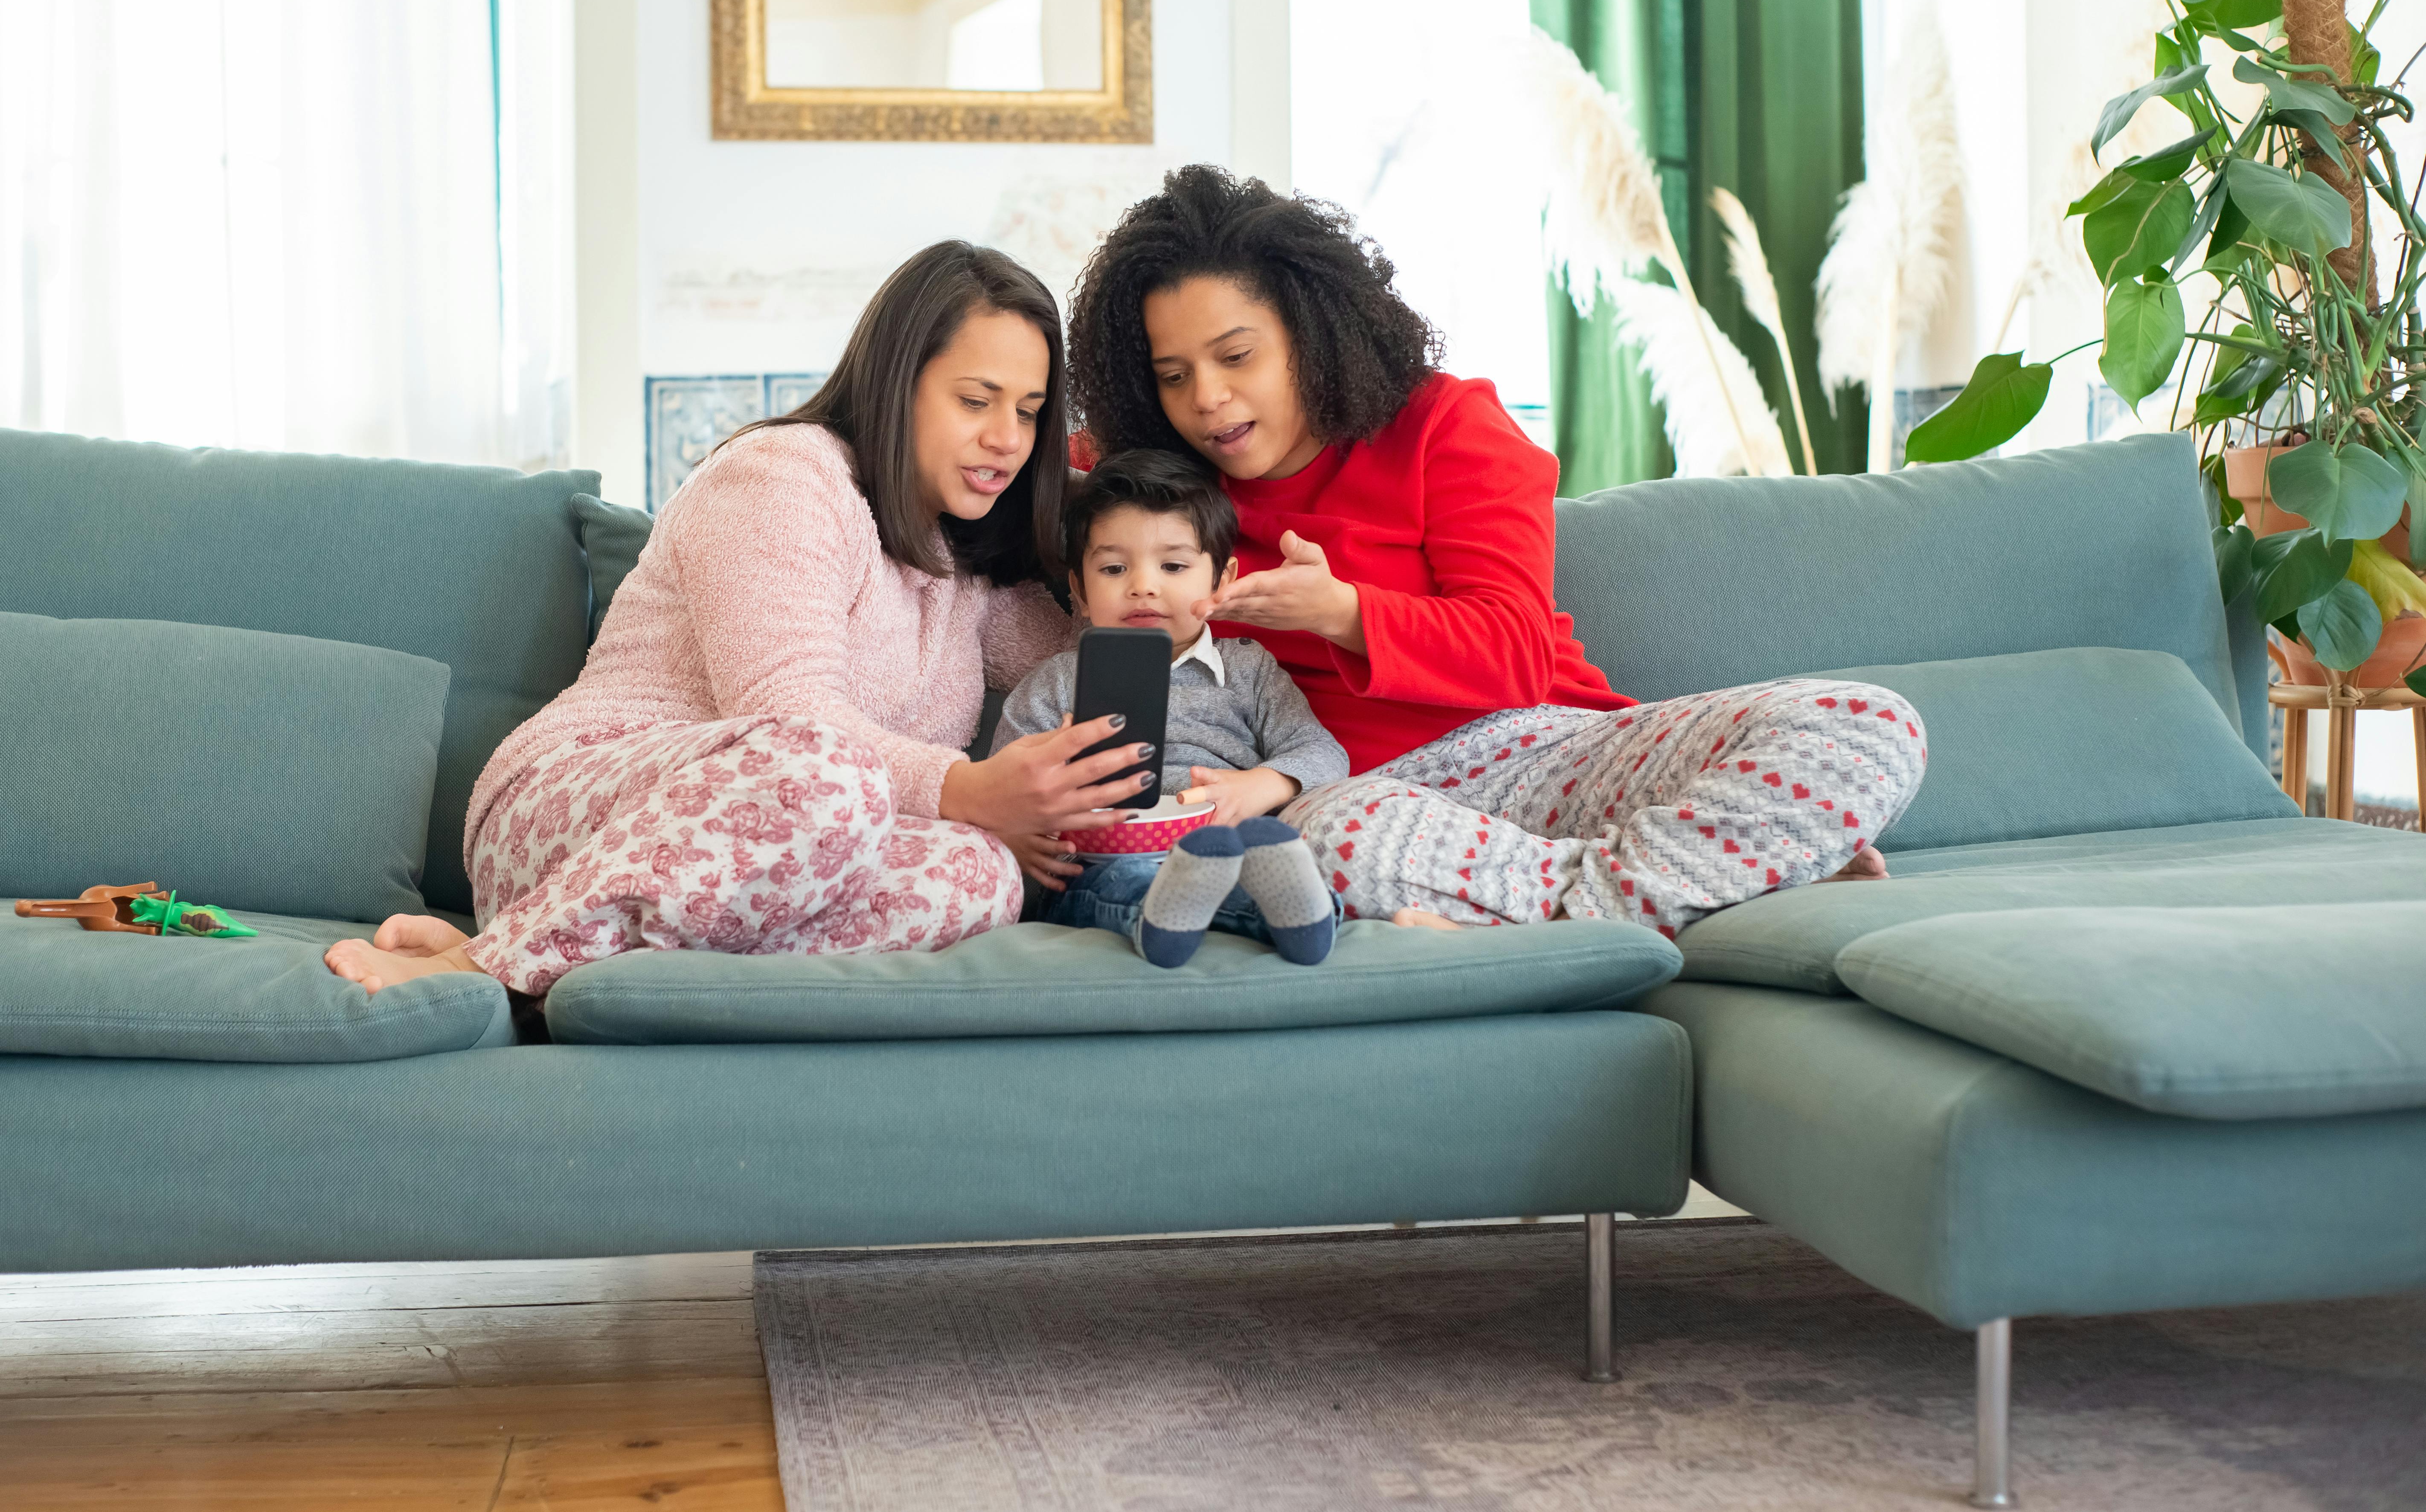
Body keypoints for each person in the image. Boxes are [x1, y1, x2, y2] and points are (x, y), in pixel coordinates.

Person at [1065, 166, 1926, 939]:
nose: (1206, 399)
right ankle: (1705, 882)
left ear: (1310, 329)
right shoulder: (1154, 497)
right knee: (1317, 847)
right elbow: (1003, 476)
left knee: (1867, 726)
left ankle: (1579, 909)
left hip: (1550, 751)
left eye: (1235, 355)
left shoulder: (1444, 423)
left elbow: (1515, 653)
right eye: (1172, 375)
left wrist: (1343, 613)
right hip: (1379, 804)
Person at [325, 242, 1156, 996]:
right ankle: (476, 966)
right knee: (830, 772)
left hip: (753, 873)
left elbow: (1105, 659)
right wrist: (960, 786)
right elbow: (786, 713)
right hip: (568, 813)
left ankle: (545, 948)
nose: (1005, 438)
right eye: (976, 399)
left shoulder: (969, 564)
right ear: (898, 383)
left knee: (983, 874)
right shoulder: (783, 476)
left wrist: (1124, 525)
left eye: (1029, 410)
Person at [992, 450, 1349, 967]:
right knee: (1112, 884)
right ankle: (1156, 917)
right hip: (1103, 858)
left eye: (1174, 566)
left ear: (1221, 581)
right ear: (1080, 590)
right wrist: (1028, 832)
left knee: (1255, 867)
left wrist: (1263, 785)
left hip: (1223, 847)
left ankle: (1306, 916)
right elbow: (1004, 783)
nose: (1143, 585)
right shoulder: (1055, 684)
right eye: (1114, 568)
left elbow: (1321, 749)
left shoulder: (1248, 670)